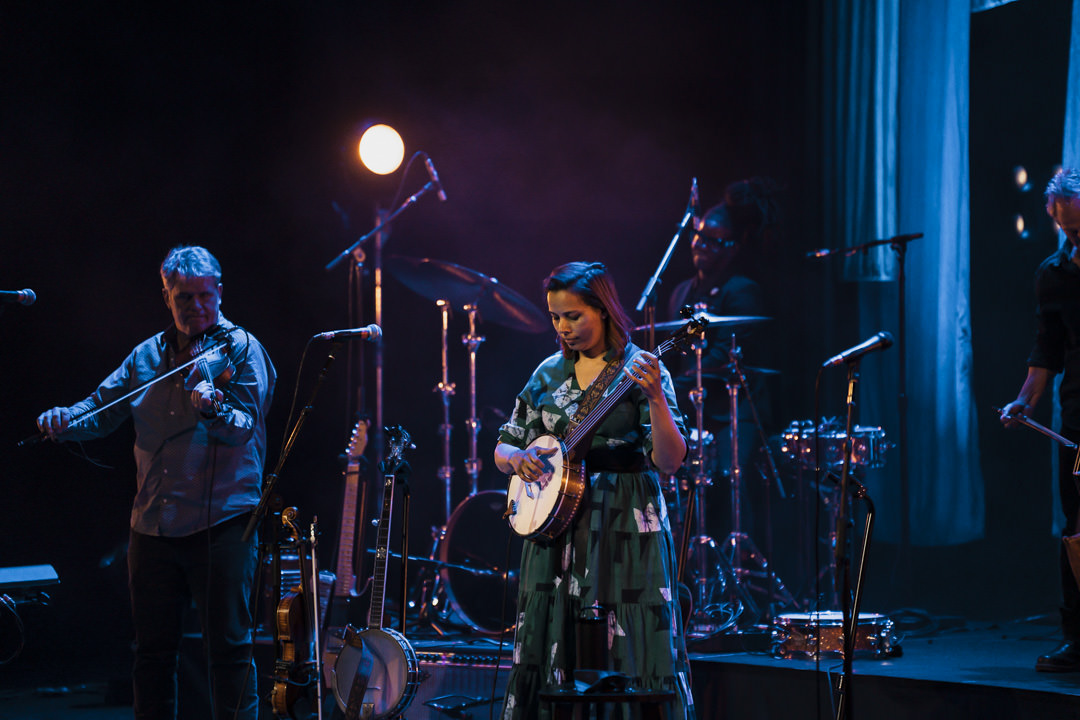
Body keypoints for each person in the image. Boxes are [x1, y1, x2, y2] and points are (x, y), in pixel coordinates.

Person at [36, 245, 277, 718]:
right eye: (183, 297)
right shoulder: (145, 357)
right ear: (165, 296)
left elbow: (246, 427)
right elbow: (98, 411)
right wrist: (66, 420)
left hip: (223, 522)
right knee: (150, 655)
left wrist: (211, 407)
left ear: (220, 292)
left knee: (229, 652)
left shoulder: (243, 350)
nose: (196, 308)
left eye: (204, 296)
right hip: (152, 526)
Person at [494, 261, 695, 720]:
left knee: (632, 628)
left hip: (624, 515)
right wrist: (516, 459)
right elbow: (505, 444)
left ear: (603, 311)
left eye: (575, 316)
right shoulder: (547, 373)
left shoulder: (641, 369)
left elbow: (669, 460)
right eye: (556, 317)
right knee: (551, 629)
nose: (564, 328)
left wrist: (658, 399)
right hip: (554, 520)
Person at [665, 178, 782, 574]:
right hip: (693, 408)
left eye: (714, 240)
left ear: (732, 247)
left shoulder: (741, 290)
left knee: (728, 476)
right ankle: (683, 568)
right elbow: (678, 355)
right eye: (699, 236)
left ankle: (741, 567)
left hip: (734, 410)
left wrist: (669, 389)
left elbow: (720, 358)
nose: (701, 245)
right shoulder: (681, 293)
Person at [1001, 167, 1080, 672]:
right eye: (1069, 230)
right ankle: (1077, 635)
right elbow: (1046, 350)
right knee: (1076, 527)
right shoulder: (1052, 275)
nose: (1076, 239)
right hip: (1077, 415)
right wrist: (1024, 400)